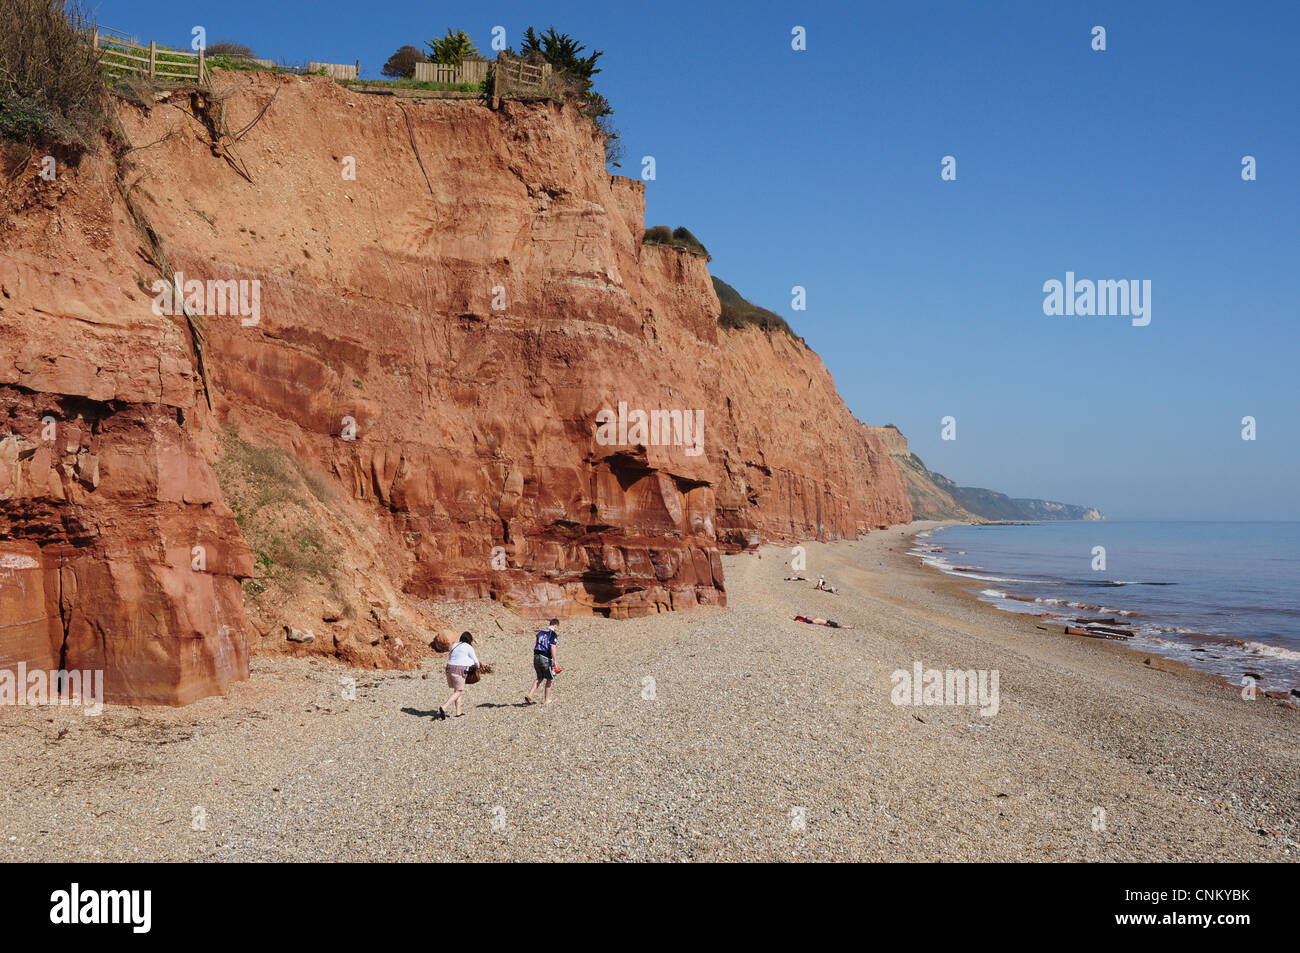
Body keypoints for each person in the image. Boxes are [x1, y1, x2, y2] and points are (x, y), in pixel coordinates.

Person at [438, 632, 480, 719]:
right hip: (459, 670)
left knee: (456, 690)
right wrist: (478, 667)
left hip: (449, 669)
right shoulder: (468, 647)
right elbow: (476, 661)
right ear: (470, 640)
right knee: (459, 691)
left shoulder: (455, 645)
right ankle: (444, 707)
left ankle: (458, 712)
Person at [525, 618, 562, 705]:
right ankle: (547, 700)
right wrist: (555, 660)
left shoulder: (540, 632)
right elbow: (552, 647)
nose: (557, 629)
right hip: (545, 657)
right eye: (557, 627)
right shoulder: (552, 634)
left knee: (539, 677)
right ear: (555, 625)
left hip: (536, 656)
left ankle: (530, 694)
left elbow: (537, 643)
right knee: (550, 678)